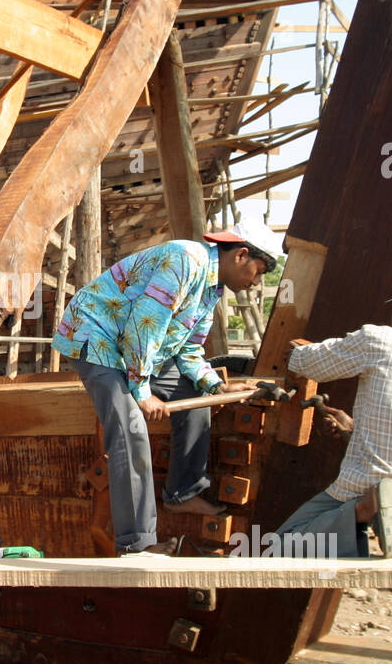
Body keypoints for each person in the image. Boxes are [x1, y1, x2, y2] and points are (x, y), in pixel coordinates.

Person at [52, 218, 285, 556]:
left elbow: (188, 350)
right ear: (241, 255)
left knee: (195, 394)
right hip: (95, 338)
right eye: (258, 272)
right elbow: (143, 326)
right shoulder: (185, 260)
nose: (256, 282)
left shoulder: (211, 290)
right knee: (130, 429)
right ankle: (136, 544)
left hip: (133, 350)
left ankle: (183, 492)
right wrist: (142, 392)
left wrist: (214, 385)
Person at [274, 281, 392, 559]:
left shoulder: (378, 339)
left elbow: (307, 363)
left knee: (282, 546)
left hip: (377, 486)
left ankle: (364, 509)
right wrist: (355, 428)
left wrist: (293, 353)